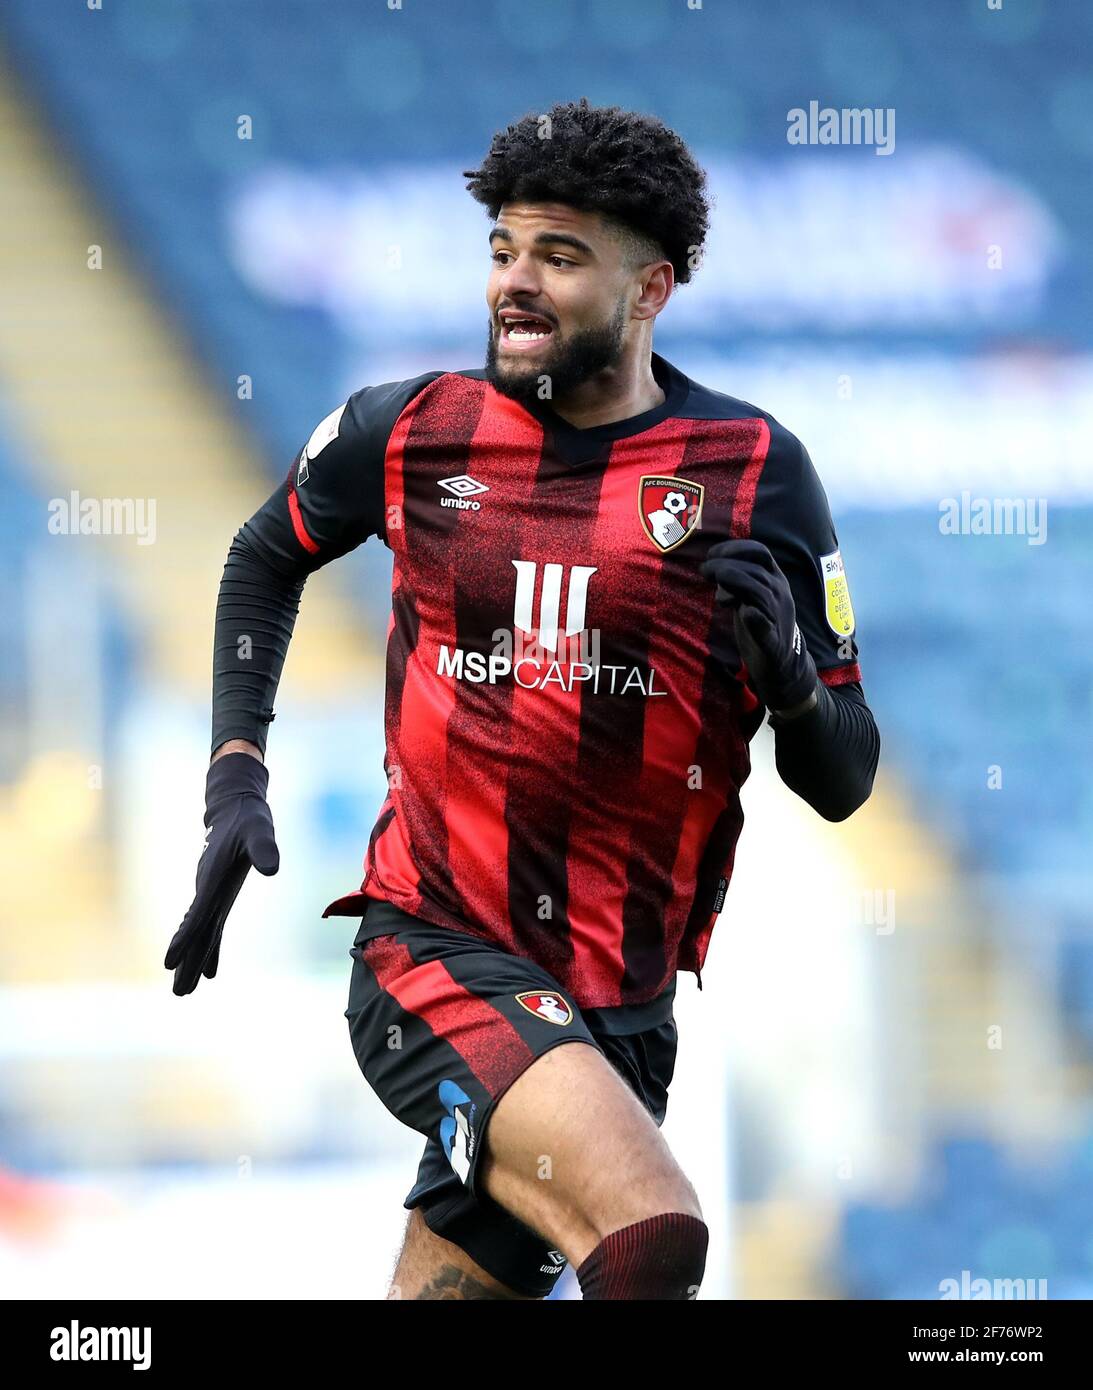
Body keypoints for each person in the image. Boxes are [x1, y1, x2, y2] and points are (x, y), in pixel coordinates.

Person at [167, 99, 880, 1300]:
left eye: (558, 257)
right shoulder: (410, 430)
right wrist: (236, 771)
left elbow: (847, 777)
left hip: (621, 1012)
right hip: (434, 955)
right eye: (503, 250)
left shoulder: (755, 473)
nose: (515, 281)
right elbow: (263, 552)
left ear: (649, 290)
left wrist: (795, 687)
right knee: (654, 1230)